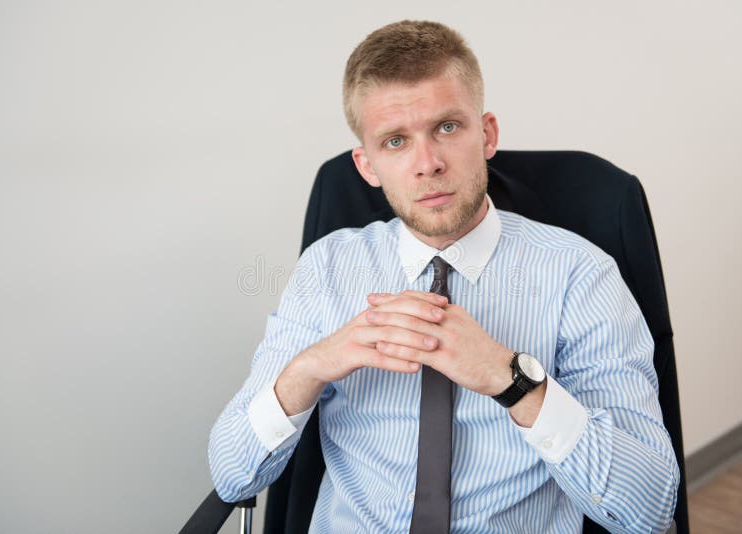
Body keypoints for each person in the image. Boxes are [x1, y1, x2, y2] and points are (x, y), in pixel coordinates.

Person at [209, 20, 679, 533]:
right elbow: (233, 478)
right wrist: (314, 365)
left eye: (448, 128)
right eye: (395, 142)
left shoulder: (580, 275)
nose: (427, 164)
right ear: (367, 166)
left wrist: (510, 378)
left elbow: (649, 511)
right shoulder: (327, 269)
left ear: (488, 134)